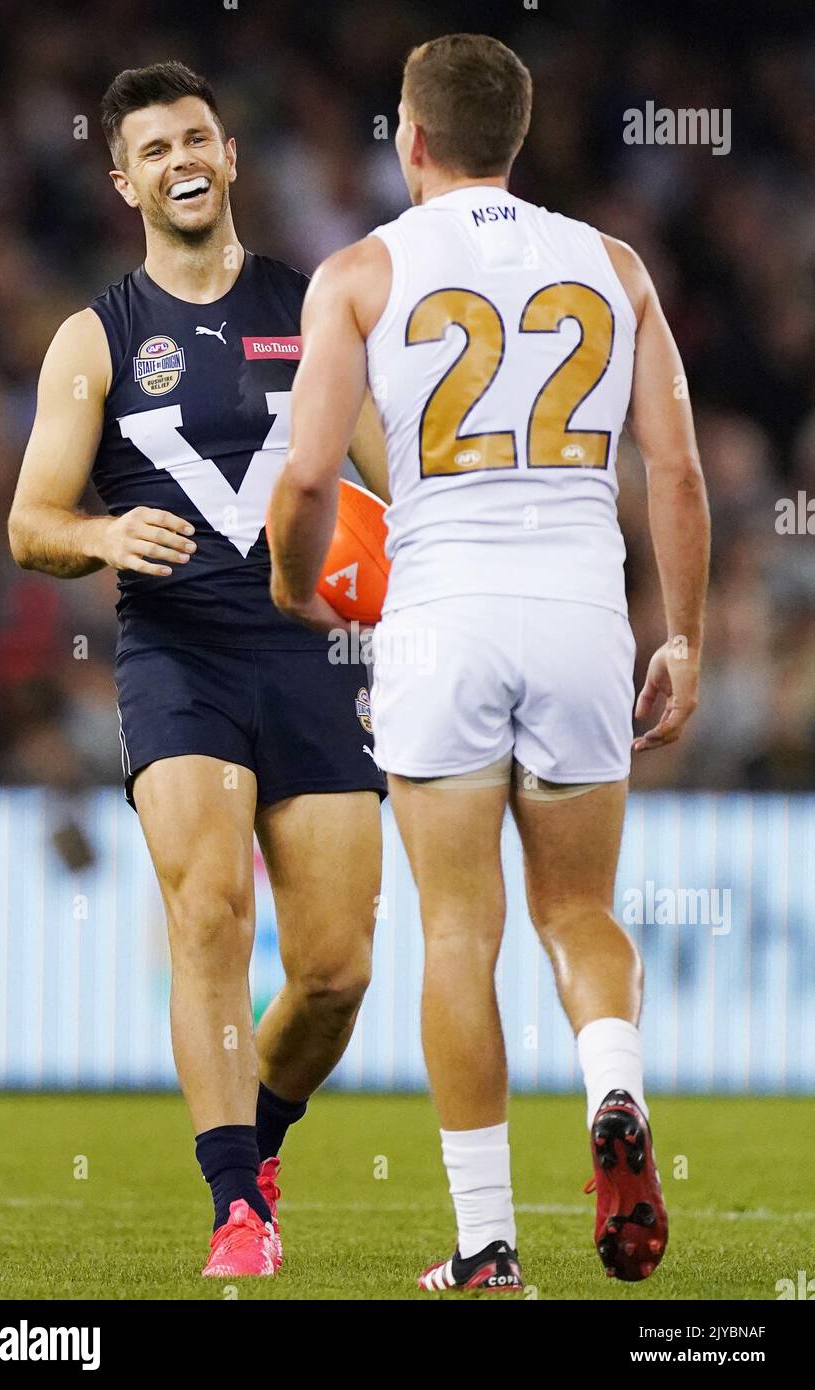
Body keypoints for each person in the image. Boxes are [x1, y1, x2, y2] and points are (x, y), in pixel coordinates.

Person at [268, 32, 709, 1291]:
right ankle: (611, 1094)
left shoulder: (358, 272)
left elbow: (309, 475)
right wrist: (679, 634)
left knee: (458, 932)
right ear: (514, 139)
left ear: (407, 135)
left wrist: (298, 587)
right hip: (579, 608)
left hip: (442, 605)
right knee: (580, 912)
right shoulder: (610, 264)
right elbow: (670, 468)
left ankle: (486, 1246)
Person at [8, 61, 387, 1279]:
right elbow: (26, 521)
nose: (178, 162)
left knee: (333, 973)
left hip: (317, 653)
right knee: (209, 912)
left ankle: (262, 1140)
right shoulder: (95, 335)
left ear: (228, 156)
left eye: (195, 140)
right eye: (152, 150)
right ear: (125, 182)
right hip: (178, 653)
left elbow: (397, 481)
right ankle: (235, 1206)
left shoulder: (320, 303)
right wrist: (106, 535)